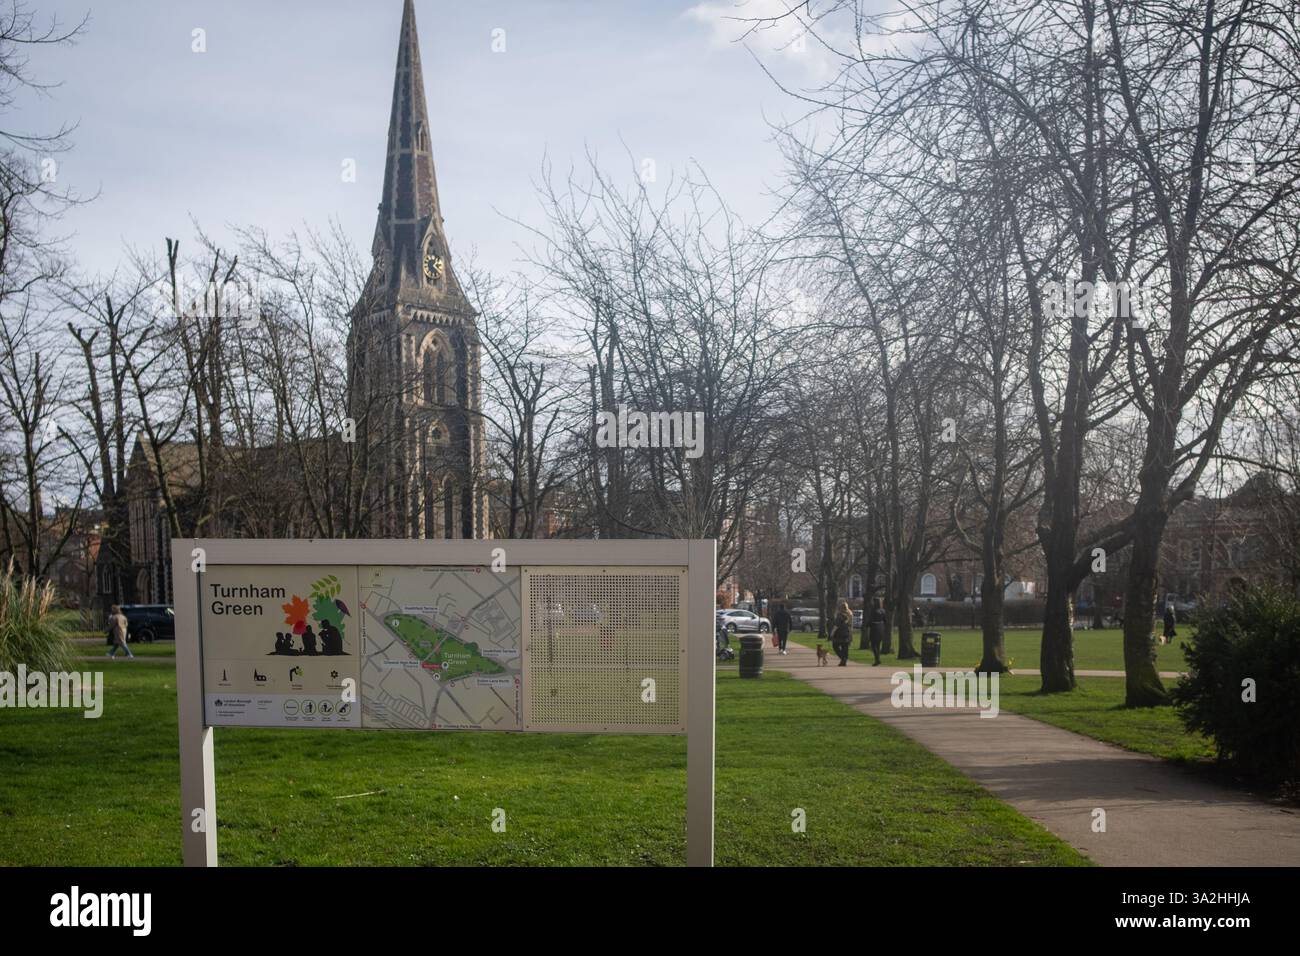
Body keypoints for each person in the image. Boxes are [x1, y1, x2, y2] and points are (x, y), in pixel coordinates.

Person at [830, 600, 853, 667]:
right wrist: (851, 634)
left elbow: (836, 625)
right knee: (845, 647)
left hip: (839, 633)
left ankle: (843, 658)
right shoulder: (850, 614)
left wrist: (832, 633)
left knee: (835, 646)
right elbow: (851, 625)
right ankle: (844, 661)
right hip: (847, 632)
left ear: (841, 608)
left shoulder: (840, 615)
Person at [868, 597, 887, 666]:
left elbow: (870, 620)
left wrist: (867, 625)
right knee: (878, 645)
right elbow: (885, 620)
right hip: (881, 627)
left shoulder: (873, 610)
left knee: (873, 645)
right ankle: (877, 659)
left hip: (874, 628)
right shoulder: (883, 610)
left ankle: (877, 659)